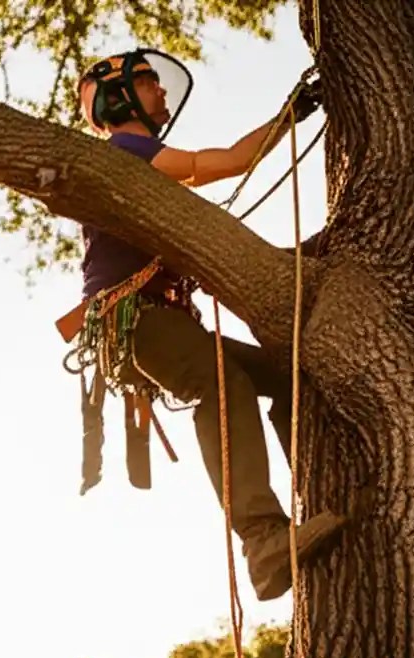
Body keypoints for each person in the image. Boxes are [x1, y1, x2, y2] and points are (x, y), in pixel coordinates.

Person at [59, 48, 366, 601]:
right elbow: (218, 162)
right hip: (136, 320)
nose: (162, 94)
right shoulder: (127, 151)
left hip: (165, 322)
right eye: (151, 83)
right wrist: (288, 117)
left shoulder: (145, 165)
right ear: (121, 96)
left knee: (285, 373)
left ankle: (307, 501)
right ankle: (263, 540)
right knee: (220, 382)